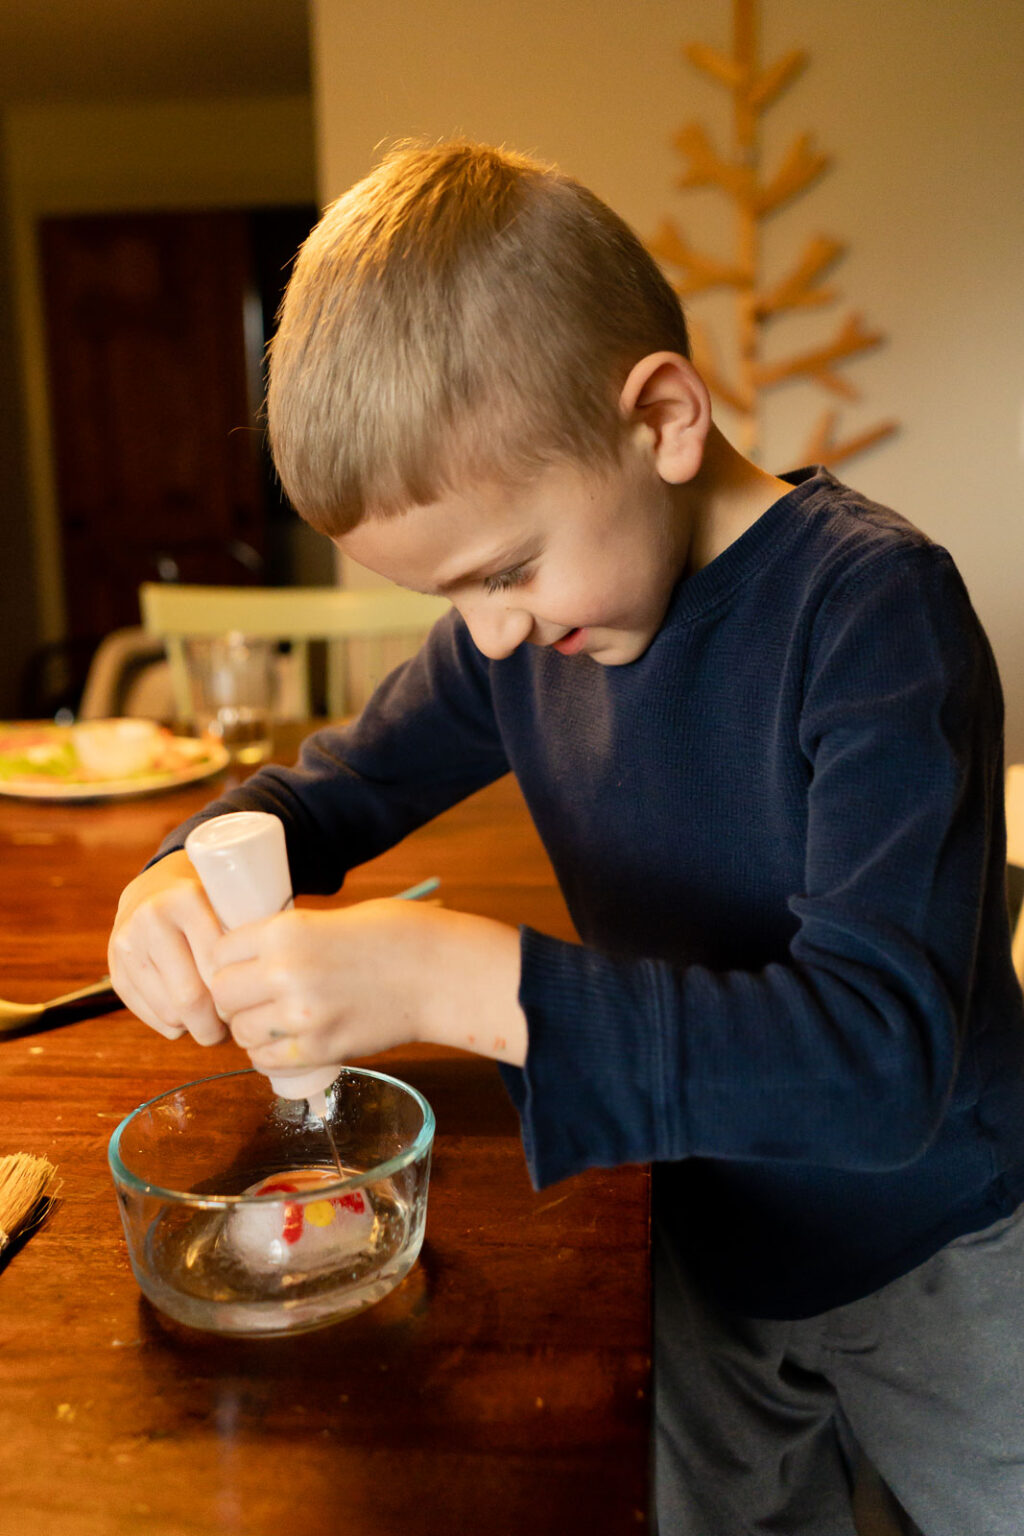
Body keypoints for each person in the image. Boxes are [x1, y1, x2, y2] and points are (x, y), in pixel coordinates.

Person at [108, 140, 1024, 1535]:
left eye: (506, 571)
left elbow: (880, 1065)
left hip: (948, 1242)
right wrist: (187, 865)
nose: (491, 634)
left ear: (660, 416)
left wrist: (463, 986)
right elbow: (331, 790)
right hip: (701, 1235)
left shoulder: (873, 614)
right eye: (452, 595)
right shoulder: (525, 631)